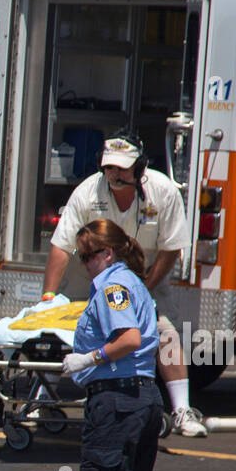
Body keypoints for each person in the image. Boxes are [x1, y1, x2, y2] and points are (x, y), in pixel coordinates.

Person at [41, 135, 205, 437]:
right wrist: (49, 296)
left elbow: (171, 248)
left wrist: (146, 288)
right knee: (59, 325)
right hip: (91, 272)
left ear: (139, 167)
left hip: (146, 275)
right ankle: (42, 398)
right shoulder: (88, 191)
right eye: (110, 168)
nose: (115, 175)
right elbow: (61, 246)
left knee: (165, 331)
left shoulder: (163, 191)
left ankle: (182, 409)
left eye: (123, 169)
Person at [56, 220, 163, 471]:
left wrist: (90, 357)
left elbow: (129, 338)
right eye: (81, 256)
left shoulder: (113, 287)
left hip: (117, 400)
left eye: (88, 255)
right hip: (143, 398)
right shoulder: (134, 283)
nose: (84, 263)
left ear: (107, 254)